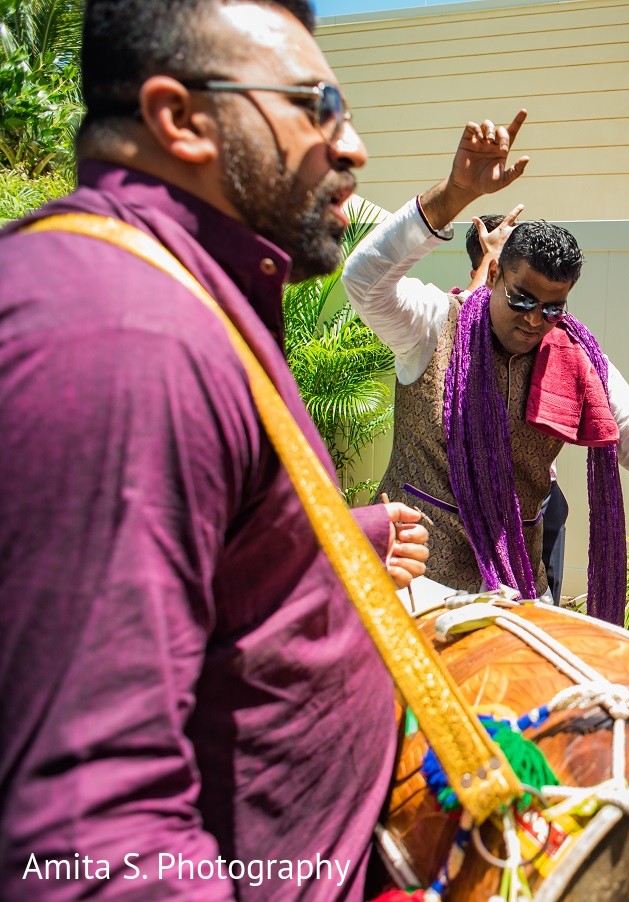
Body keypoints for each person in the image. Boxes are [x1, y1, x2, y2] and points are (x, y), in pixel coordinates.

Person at [0, 1, 432, 897]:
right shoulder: (121, 332)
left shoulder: (167, 294)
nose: (351, 149)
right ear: (181, 119)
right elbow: (95, 843)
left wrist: (339, 541)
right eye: (318, 106)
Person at [341, 124, 629, 624]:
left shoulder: (576, 358)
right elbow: (364, 278)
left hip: (514, 590)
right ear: (493, 275)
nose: (535, 319)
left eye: (553, 307)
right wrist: (454, 195)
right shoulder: (432, 325)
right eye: (522, 299)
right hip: (413, 582)